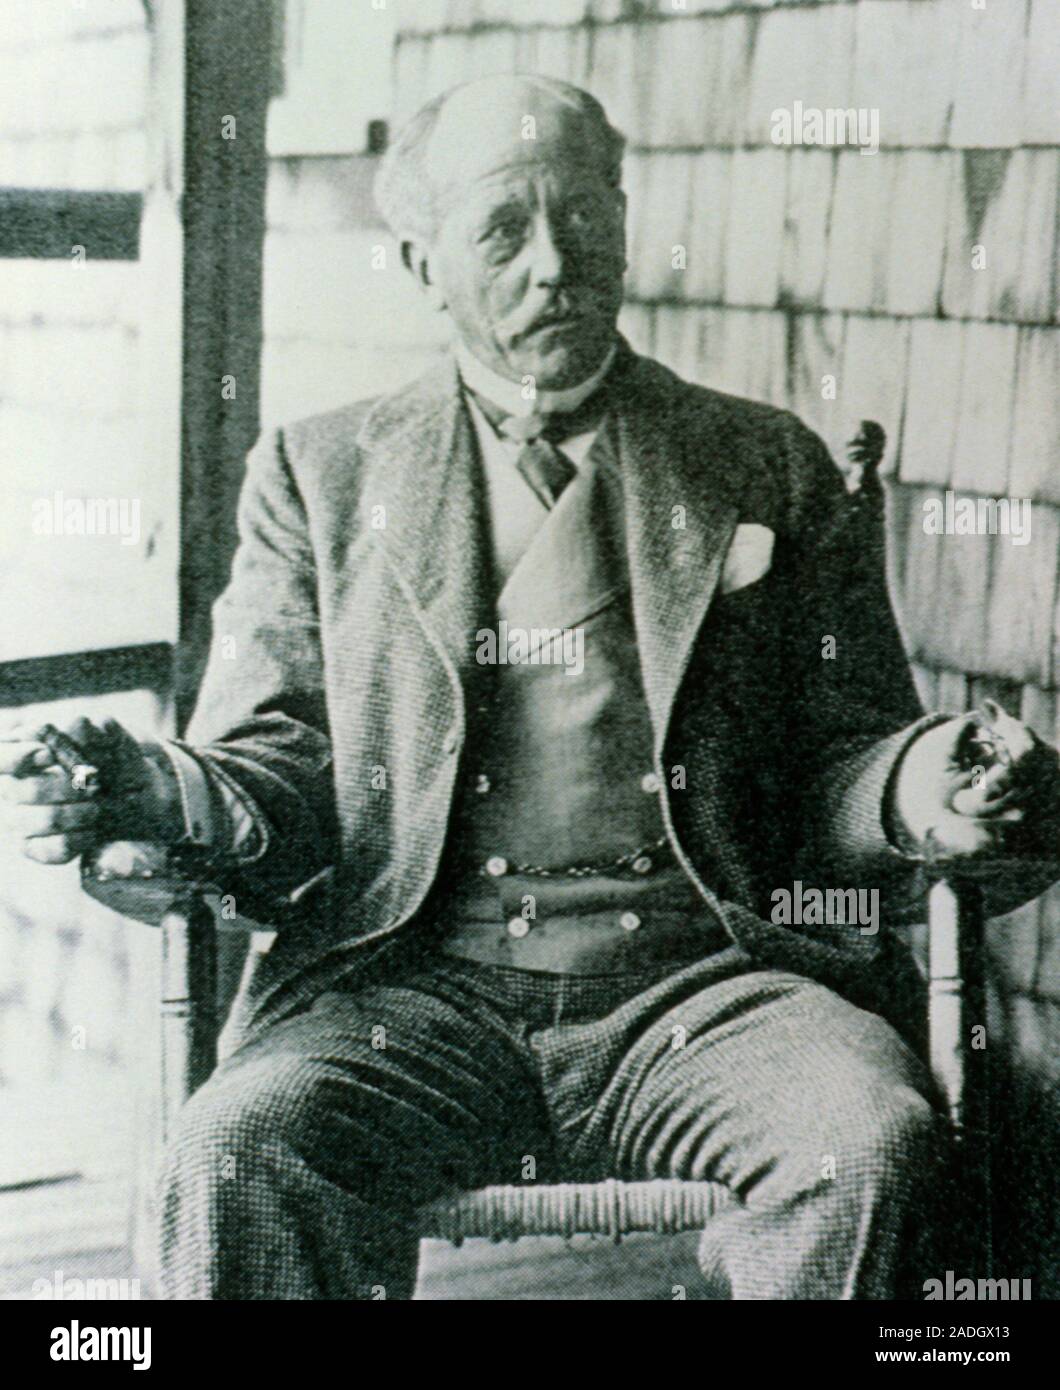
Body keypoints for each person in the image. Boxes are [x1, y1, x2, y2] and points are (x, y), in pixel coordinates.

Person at [3, 75, 1057, 1300]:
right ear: (422, 259)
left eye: (585, 213)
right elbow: (280, 763)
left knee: (870, 1143)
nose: (557, 261)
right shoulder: (323, 475)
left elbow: (843, 752)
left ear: (621, 211)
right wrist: (151, 785)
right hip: (412, 993)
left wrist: (926, 784)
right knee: (240, 1149)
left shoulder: (761, 460)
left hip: (706, 986)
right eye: (503, 227)